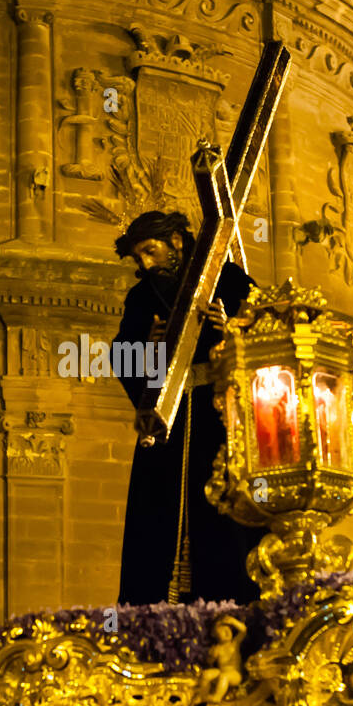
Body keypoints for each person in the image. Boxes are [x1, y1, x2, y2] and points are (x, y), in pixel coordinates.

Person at [112, 210, 264, 605]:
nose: (145, 264)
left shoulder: (228, 280)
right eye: (139, 257)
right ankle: (154, 613)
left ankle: (233, 605)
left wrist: (231, 327)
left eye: (150, 250)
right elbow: (121, 357)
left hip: (223, 416)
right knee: (157, 517)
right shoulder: (143, 297)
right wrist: (146, 348)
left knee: (225, 512)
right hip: (170, 416)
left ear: (177, 240)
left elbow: (266, 332)